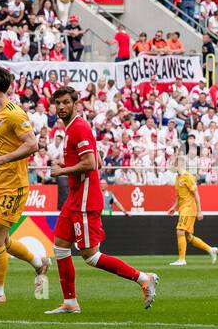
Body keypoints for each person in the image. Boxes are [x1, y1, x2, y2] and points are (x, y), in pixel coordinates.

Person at [44, 86, 158, 314]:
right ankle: (70, 302)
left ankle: (144, 278)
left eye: (66, 102)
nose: (62, 107)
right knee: (60, 248)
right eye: (58, 103)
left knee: (90, 256)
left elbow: (90, 163)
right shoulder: (72, 129)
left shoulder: (78, 128)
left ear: (76, 104)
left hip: (85, 199)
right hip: (75, 197)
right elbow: (98, 159)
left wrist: (63, 170)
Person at [0, 66, 48, 304]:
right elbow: (3, 142)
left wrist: (2, 159)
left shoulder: (14, 113)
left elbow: (31, 144)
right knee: (1, 239)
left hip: (14, 185)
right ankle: (39, 263)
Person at [166, 156, 218, 266]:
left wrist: (200, 211)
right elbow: (179, 195)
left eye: (172, 164)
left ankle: (182, 260)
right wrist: (174, 207)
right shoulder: (177, 177)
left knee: (180, 231)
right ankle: (210, 250)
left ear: (178, 165)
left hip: (189, 209)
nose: (170, 166)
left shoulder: (188, 177)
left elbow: (196, 194)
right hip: (182, 208)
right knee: (188, 237)